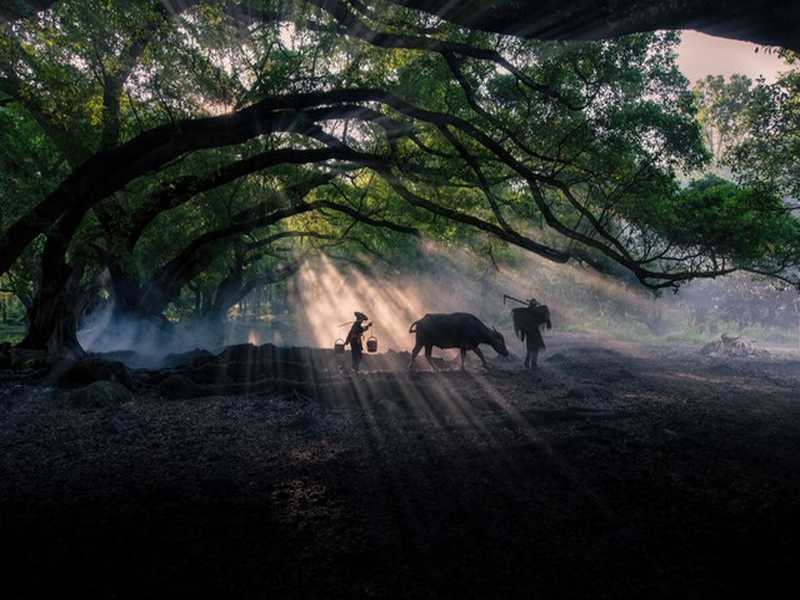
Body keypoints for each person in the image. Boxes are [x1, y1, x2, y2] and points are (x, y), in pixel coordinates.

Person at [511, 299, 552, 369]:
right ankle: (533, 363)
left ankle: (527, 362)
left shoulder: (527, 312)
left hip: (529, 333)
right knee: (535, 348)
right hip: (534, 333)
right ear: (534, 305)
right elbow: (544, 313)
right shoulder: (533, 312)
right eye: (534, 304)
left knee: (531, 348)